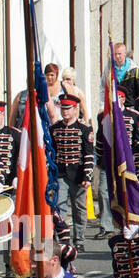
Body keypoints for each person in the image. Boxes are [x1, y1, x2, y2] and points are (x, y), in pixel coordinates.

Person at [51, 94, 95, 251]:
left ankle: (79, 239)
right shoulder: (55, 129)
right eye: (63, 108)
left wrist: (87, 176)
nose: (64, 112)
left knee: (79, 208)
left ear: (75, 109)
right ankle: (63, 237)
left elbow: (89, 154)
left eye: (68, 108)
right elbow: (52, 153)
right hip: (61, 173)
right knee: (59, 205)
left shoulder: (84, 129)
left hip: (78, 174)